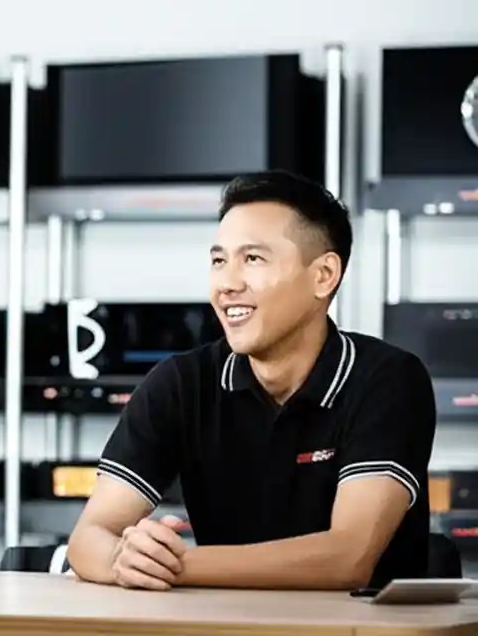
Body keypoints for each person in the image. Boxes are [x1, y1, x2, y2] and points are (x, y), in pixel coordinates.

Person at [66, 170, 437, 591]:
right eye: (219, 261)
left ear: (323, 275)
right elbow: (88, 537)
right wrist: (125, 560)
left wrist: (175, 565)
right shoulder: (181, 383)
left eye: (253, 259)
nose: (227, 284)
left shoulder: (388, 380)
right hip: (223, 620)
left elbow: (347, 558)